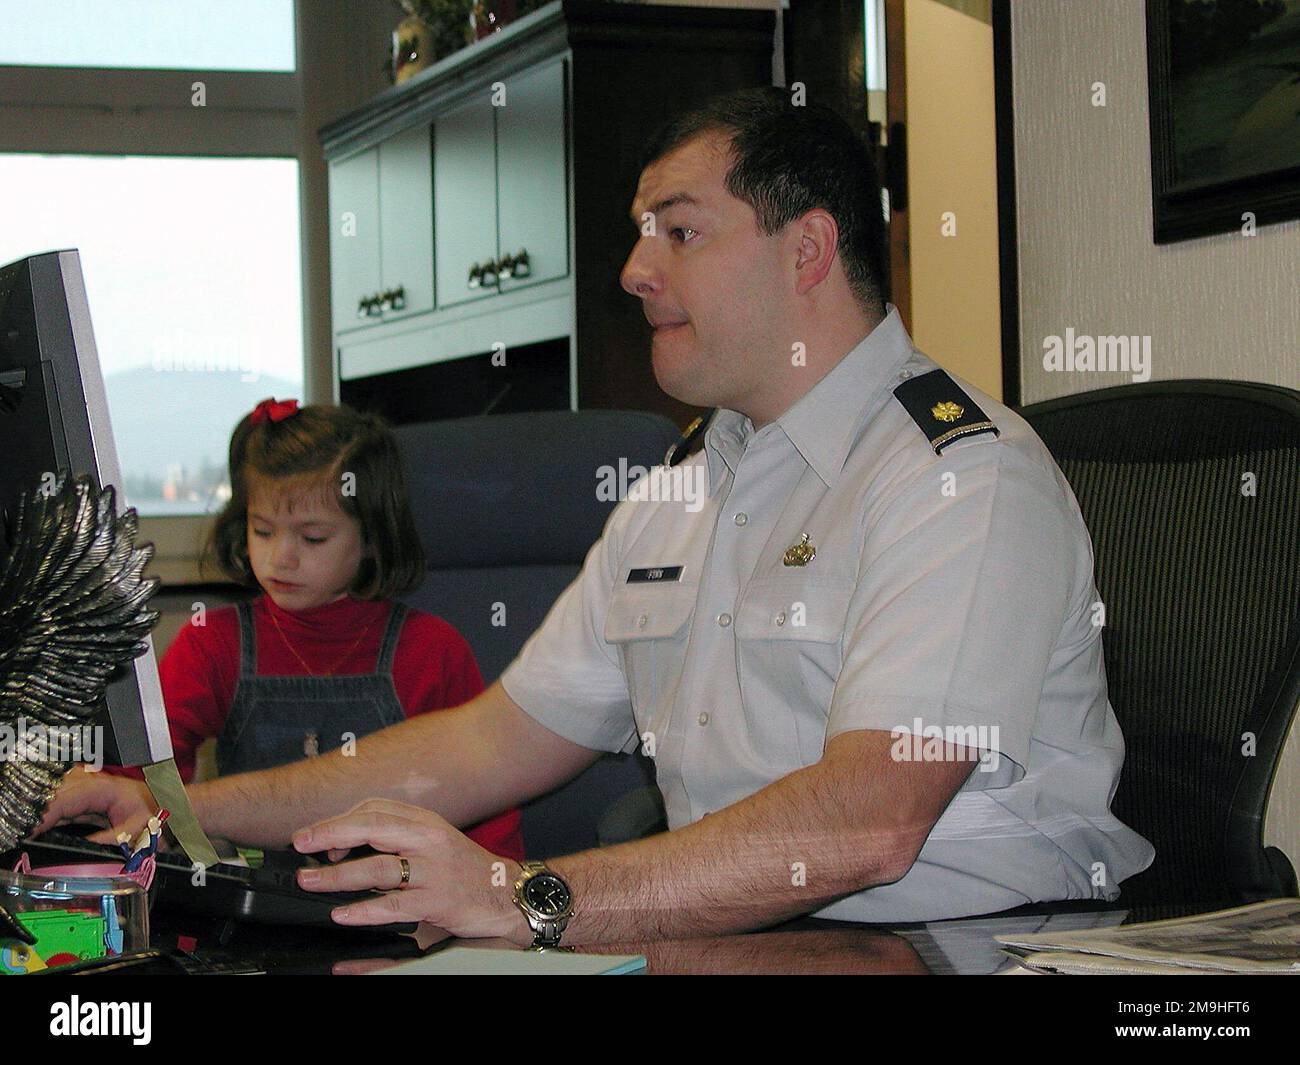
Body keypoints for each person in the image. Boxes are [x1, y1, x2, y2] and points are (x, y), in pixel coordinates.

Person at [43, 87, 1152, 946]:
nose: (631, 270)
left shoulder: (960, 477)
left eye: (678, 232)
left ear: (807, 249)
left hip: (961, 950)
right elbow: (489, 742)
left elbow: (867, 823)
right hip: (732, 939)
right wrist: (179, 809)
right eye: (638, 233)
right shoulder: (680, 490)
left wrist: (526, 895)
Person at [85, 398, 525, 863]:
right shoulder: (213, 642)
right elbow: (143, 774)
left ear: (373, 537)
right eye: (263, 531)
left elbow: (486, 812)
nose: (281, 558)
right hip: (255, 909)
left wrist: (496, 899)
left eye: (313, 537)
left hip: (400, 915)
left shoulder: (431, 651)